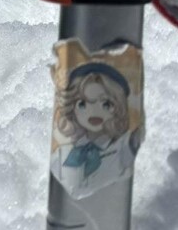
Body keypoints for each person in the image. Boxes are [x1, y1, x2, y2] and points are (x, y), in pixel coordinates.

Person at [50, 62, 140, 198]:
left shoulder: (123, 147)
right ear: (71, 108)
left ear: (118, 108)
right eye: (82, 104)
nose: (94, 111)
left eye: (106, 104)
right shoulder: (63, 154)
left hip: (112, 211)